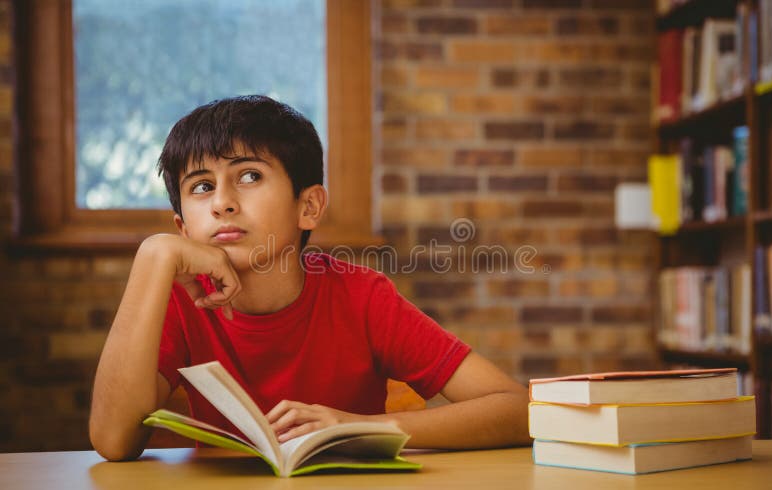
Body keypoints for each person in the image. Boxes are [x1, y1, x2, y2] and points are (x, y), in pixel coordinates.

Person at [89, 95, 530, 461]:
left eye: (249, 176)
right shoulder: (179, 301)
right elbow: (112, 442)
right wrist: (153, 257)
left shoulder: (362, 297)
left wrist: (357, 428)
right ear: (183, 228)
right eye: (201, 187)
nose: (222, 202)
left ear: (309, 207)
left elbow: (518, 410)